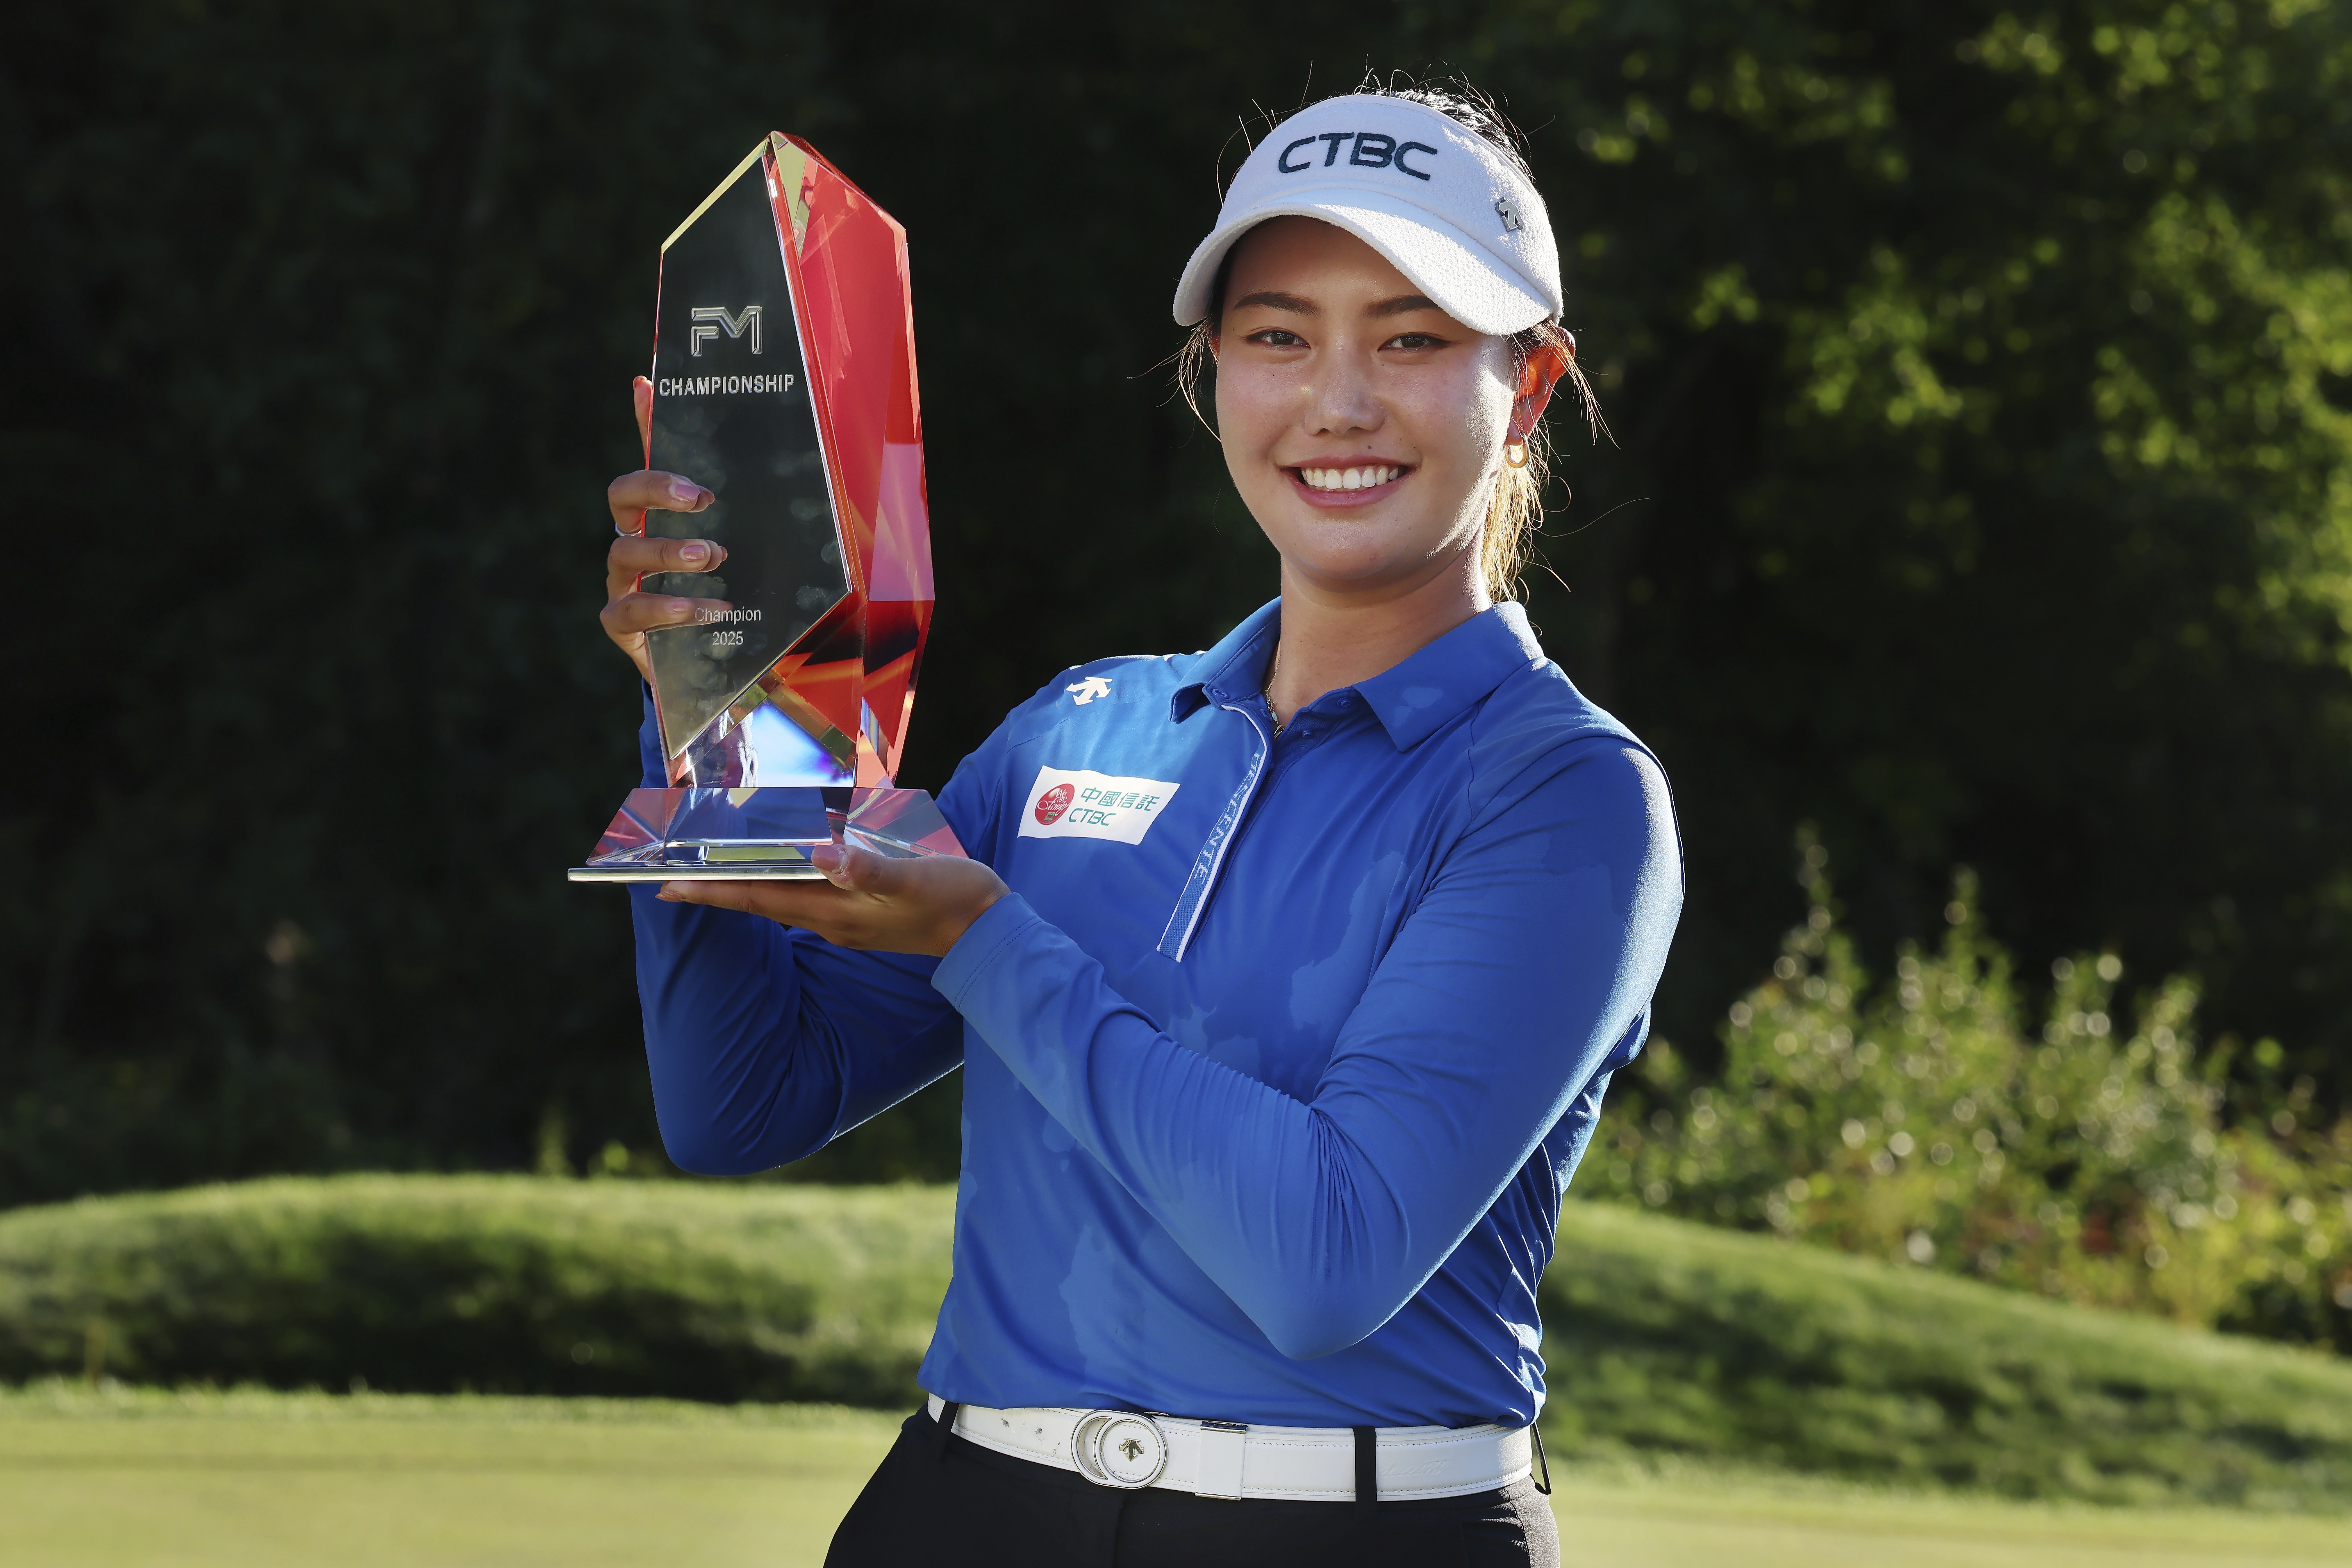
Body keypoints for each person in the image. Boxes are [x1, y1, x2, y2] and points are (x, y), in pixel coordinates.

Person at [596, 78, 1682, 1568]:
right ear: (1214, 371)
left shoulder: (1567, 793)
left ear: (1533, 386)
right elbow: (745, 1103)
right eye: (1278, 334)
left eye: (1413, 338)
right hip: (963, 1513)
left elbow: (1327, 1254)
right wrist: (708, 707)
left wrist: (985, 938)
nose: (1338, 399)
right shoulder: (1081, 724)